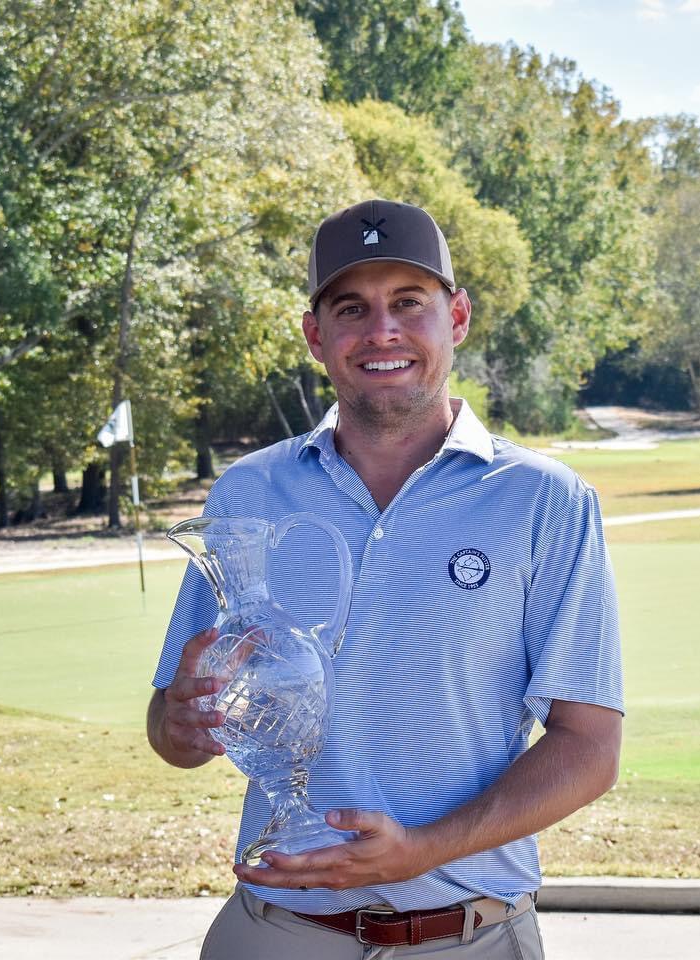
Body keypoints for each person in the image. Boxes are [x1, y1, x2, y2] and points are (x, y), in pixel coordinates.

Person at [148, 199, 624, 957]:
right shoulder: (250, 492)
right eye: (352, 309)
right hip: (278, 933)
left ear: (457, 316)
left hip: (469, 936)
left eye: (409, 303)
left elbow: (590, 746)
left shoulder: (545, 500)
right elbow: (172, 729)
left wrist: (424, 848)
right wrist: (176, 726)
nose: (382, 332)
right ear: (316, 334)